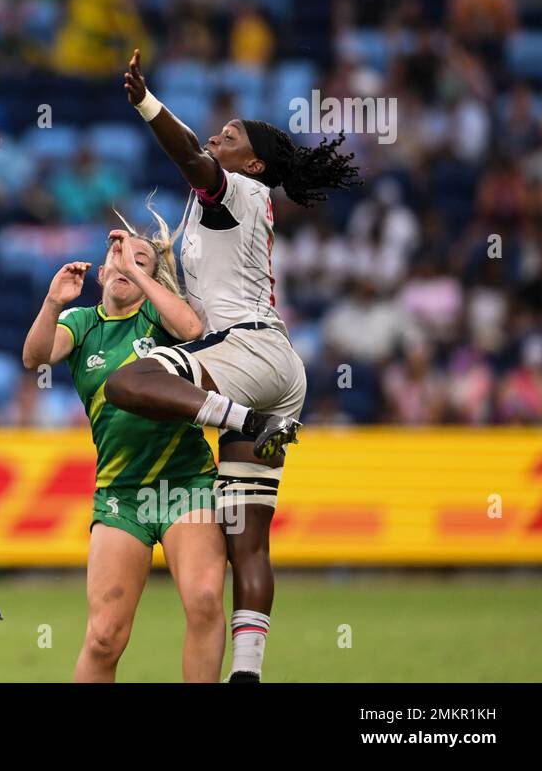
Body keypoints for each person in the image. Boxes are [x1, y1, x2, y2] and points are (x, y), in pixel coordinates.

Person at [104, 49, 361, 681]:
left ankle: (245, 417)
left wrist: (143, 101)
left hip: (245, 356)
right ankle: (246, 674)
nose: (221, 133)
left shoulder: (234, 189)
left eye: (234, 135)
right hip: (280, 367)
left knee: (129, 382)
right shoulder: (226, 208)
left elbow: (191, 155)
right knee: (247, 544)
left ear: (253, 163)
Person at [23, 206, 225, 682]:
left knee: (204, 602)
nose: (126, 265)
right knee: (105, 635)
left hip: (187, 485)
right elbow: (34, 357)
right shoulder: (79, 324)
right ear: (100, 271)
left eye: (141, 261)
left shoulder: (158, 316)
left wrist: (140, 267)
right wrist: (52, 304)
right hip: (121, 495)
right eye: (117, 255)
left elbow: (194, 330)